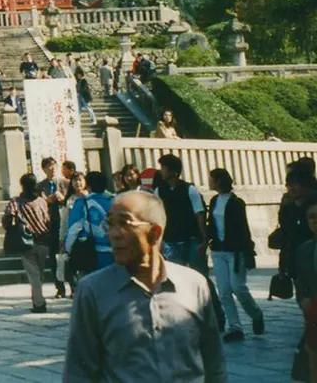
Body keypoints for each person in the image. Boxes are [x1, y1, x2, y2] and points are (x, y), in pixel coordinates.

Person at [63, 190, 225, 382]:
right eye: (110, 223)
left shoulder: (194, 285)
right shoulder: (92, 290)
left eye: (124, 223)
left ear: (154, 233)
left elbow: (214, 364)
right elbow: (78, 371)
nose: (113, 234)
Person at [207, 168, 264, 341]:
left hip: (235, 251)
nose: (209, 182)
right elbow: (212, 225)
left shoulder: (236, 202)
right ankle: (235, 327)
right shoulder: (214, 200)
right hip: (218, 250)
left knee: (238, 287)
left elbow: (243, 228)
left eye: (211, 179)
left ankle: (256, 314)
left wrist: (248, 251)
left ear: (218, 181)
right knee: (223, 290)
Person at [3, 173, 52, 313]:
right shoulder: (42, 201)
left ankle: (39, 303)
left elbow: (8, 217)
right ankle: (38, 299)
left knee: (34, 275)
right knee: (39, 273)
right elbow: (48, 220)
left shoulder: (16, 202)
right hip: (43, 241)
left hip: (27, 242)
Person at [155, 153, 207, 272]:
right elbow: (157, 216)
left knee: (198, 273)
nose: (161, 171)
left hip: (191, 238)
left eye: (164, 168)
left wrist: (203, 237)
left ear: (173, 171)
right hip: (170, 239)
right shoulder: (159, 191)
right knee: (176, 274)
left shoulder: (190, 189)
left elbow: (199, 213)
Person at [65, 171, 115, 273]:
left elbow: (73, 230)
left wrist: (68, 249)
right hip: (116, 252)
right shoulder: (116, 200)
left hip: (92, 254)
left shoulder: (82, 202)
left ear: (88, 185)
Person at [293, 199, 317, 381]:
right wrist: (303, 300)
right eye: (311, 217)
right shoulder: (303, 250)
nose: (315, 221)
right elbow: (300, 281)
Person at [40, 157, 68, 299]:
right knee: (53, 257)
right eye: (48, 167)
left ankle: (74, 286)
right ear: (43, 169)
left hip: (65, 222)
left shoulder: (65, 182)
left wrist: (62, 198)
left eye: (53, 166)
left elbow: (70, 200)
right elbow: (39, 203)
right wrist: (47, 200)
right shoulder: (40, 186)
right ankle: (59, 287)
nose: (51, 169)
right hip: (50, 224)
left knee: (67, 254)